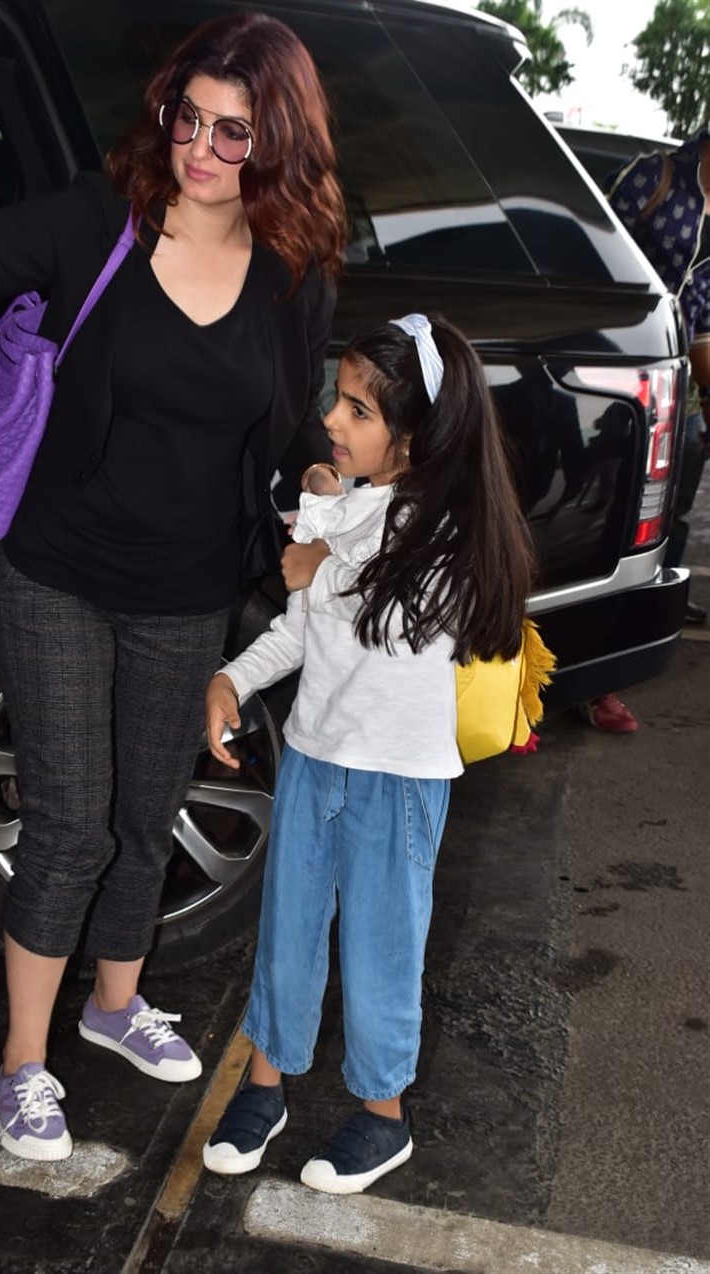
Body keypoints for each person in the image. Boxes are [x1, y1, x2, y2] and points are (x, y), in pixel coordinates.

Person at [0, 11, 348, 1161]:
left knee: (145, 814)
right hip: (58, 570)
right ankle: (22, 1064)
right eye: (191, 119)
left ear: (275, 142)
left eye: (235, 134)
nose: (201, 149)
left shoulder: (290, 277)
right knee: (71, 823)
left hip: (186, 586)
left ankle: (114, 1002)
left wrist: (317, 486)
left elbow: (283, 433)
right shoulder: (101, 224)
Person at [201, 313, 535, 1194]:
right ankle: (265, 1084)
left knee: (385, 951)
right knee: (287, 936)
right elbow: (303, 625)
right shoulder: (345, 512)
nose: (335, 422)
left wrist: (319, 546)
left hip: (399, 777)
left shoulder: (450, 529)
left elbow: (388, 610)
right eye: (335, 402)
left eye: (357, 411)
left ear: (414, 436)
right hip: (316, 759)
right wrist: (233, 678)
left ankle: (383, 1117)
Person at [585, 125, 710, 734]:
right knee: (594, 520)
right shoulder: (655, 178)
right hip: (617, 380)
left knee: (666, 526)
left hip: (678, 387)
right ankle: (556, 674)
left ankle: (622, 660)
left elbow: (706, 319)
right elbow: (589, 251)